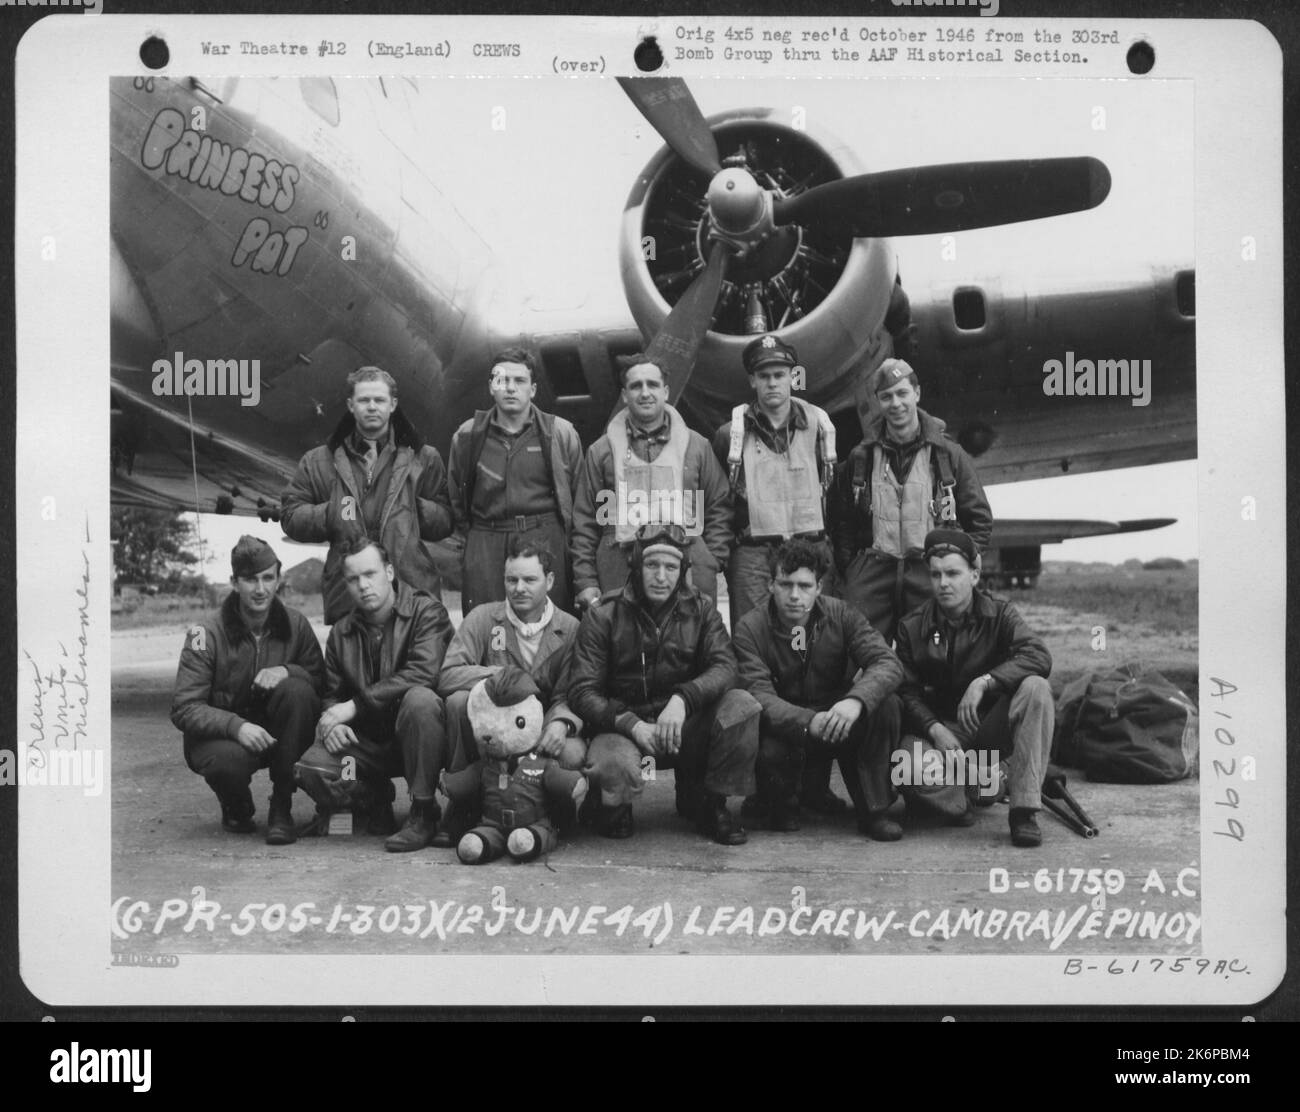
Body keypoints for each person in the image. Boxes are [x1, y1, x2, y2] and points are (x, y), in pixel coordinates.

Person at [567, 522, 761, 845]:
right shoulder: (603, 615)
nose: (661, 576)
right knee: (613, 785)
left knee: (742, 706)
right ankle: (612, 803)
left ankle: (709, 800)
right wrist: (630, 723)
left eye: (671, 567)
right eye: (652, 565)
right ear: (635, 566)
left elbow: (726, 666)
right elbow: (581, 690)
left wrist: (683, 699)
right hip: (626, 730)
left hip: (681, 728)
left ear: (683, 570)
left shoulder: (702, 610)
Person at [732, 539, 905, 839]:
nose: (795, 595)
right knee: (759, 734)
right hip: (786, 729)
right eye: (785, 584)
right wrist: (807, 721)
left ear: (819, 587)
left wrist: (856, 701)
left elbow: (887, 663)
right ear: (771, 585)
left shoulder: (843, 614)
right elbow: (758, 693)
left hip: (837, 718)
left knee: (886, 704)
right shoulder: (750, 627)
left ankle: (873, 809)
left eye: (804, 585)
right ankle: (777, 801)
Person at [893, 529, 1055, 847]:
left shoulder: (1000, 613)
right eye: (936, 574)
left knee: (1036, 688)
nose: (943, 583)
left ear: (975, 574)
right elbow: (905, 691)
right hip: (938, 734)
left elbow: (1038, 655)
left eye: (953, 573)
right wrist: (934, 728)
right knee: (906, 768)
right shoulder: (911, 627)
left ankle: (1022, 811)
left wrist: (985, 682)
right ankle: (977, 788)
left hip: (986, 729)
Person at [293, 538, 454, 853]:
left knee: (419, 699)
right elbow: (331, 693)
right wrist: (334, 723)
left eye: (370, 574)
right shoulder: (342, 632)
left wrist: (354, 706)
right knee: (313, 769)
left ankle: (423, 810)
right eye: (353, 579)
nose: (363, 585)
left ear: (390, 572)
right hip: (365, 745)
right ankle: (373, 797)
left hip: (419, 738)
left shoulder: (427, 612)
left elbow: (424, 672)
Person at [171, 536, 324, 845]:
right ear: (234, 582)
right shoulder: (205, 634)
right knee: (228, 762)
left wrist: (287, 670)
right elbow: (185, 707)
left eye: (268, 578)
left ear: (279, 580)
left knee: (299, 692)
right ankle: (236, 805)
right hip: (224, 737)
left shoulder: (297, 625)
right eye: (250, 579)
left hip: (276, 733)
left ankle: (281, 804)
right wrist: (236, 726)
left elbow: (321, 683)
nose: (260, 589)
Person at [435, 537, 586, 845]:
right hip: (493, 731)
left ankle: (549, 818)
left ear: (550, 581)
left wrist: (561, 722)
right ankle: (464, 806)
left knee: (570, 752)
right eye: (511, 579)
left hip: (542, 726)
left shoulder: (570, 628)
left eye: (530, 579)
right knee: (457, 701)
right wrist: (500, 676)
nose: (519, 588)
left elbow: (573, 691)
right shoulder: (484, 619)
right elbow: (448, 674)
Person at [831, 358, 993, 643]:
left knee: (936, 654)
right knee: (855, 650)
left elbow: (979, 518)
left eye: (902, 393)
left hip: (928, 569)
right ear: (878, 402)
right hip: (874, 571)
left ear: (916, 394)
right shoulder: (861, 457)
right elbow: (840, 519)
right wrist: (852, 569)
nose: (896, 404)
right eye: (886, 397)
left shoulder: (948, 455)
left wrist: (960, 561)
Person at [281, 366, 454, 624]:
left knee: (417, 664)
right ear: (351, 405)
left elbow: (446, 519)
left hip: (413, 595)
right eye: (364, 400)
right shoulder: (318, 461)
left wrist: (414, 508)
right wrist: (331, 513)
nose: (372, 407)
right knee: (354, 664)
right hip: (350, 598)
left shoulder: (424, 458)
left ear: (393, 404)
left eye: (379, 400)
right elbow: (291, 516)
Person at [570, 354, 731, 609]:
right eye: (636, 386)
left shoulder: (697, 447)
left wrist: (712, 558)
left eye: (652, 385)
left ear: (666, 391)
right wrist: (587, 581)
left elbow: (719, 505)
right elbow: (586, 521)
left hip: (688, 571)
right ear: (624, 395)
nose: (645, 393)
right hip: (618, 573)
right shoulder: (601, 453)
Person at [713, 335, 838, 630]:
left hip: (811, 546)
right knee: (753, 634)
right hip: (753, 553)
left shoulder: (820, 427)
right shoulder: (730, 434)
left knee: (816, 634)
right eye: (764, 376)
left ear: (792, 377)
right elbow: (718, 498)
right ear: (752, 381)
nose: (772, 383)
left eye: (779, 375)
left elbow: (832, 486)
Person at [446, 348, 583, 614]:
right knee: (487, 623)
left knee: (550, 625)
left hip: (545, 536)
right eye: (502, 380)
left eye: (519, 381)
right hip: (487, 540)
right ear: (491, 387)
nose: (510, 388)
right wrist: (476, 542)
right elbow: (456, 500)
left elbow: (579, 501)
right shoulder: (466, 436)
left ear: (532, 389)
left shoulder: (560, 434)